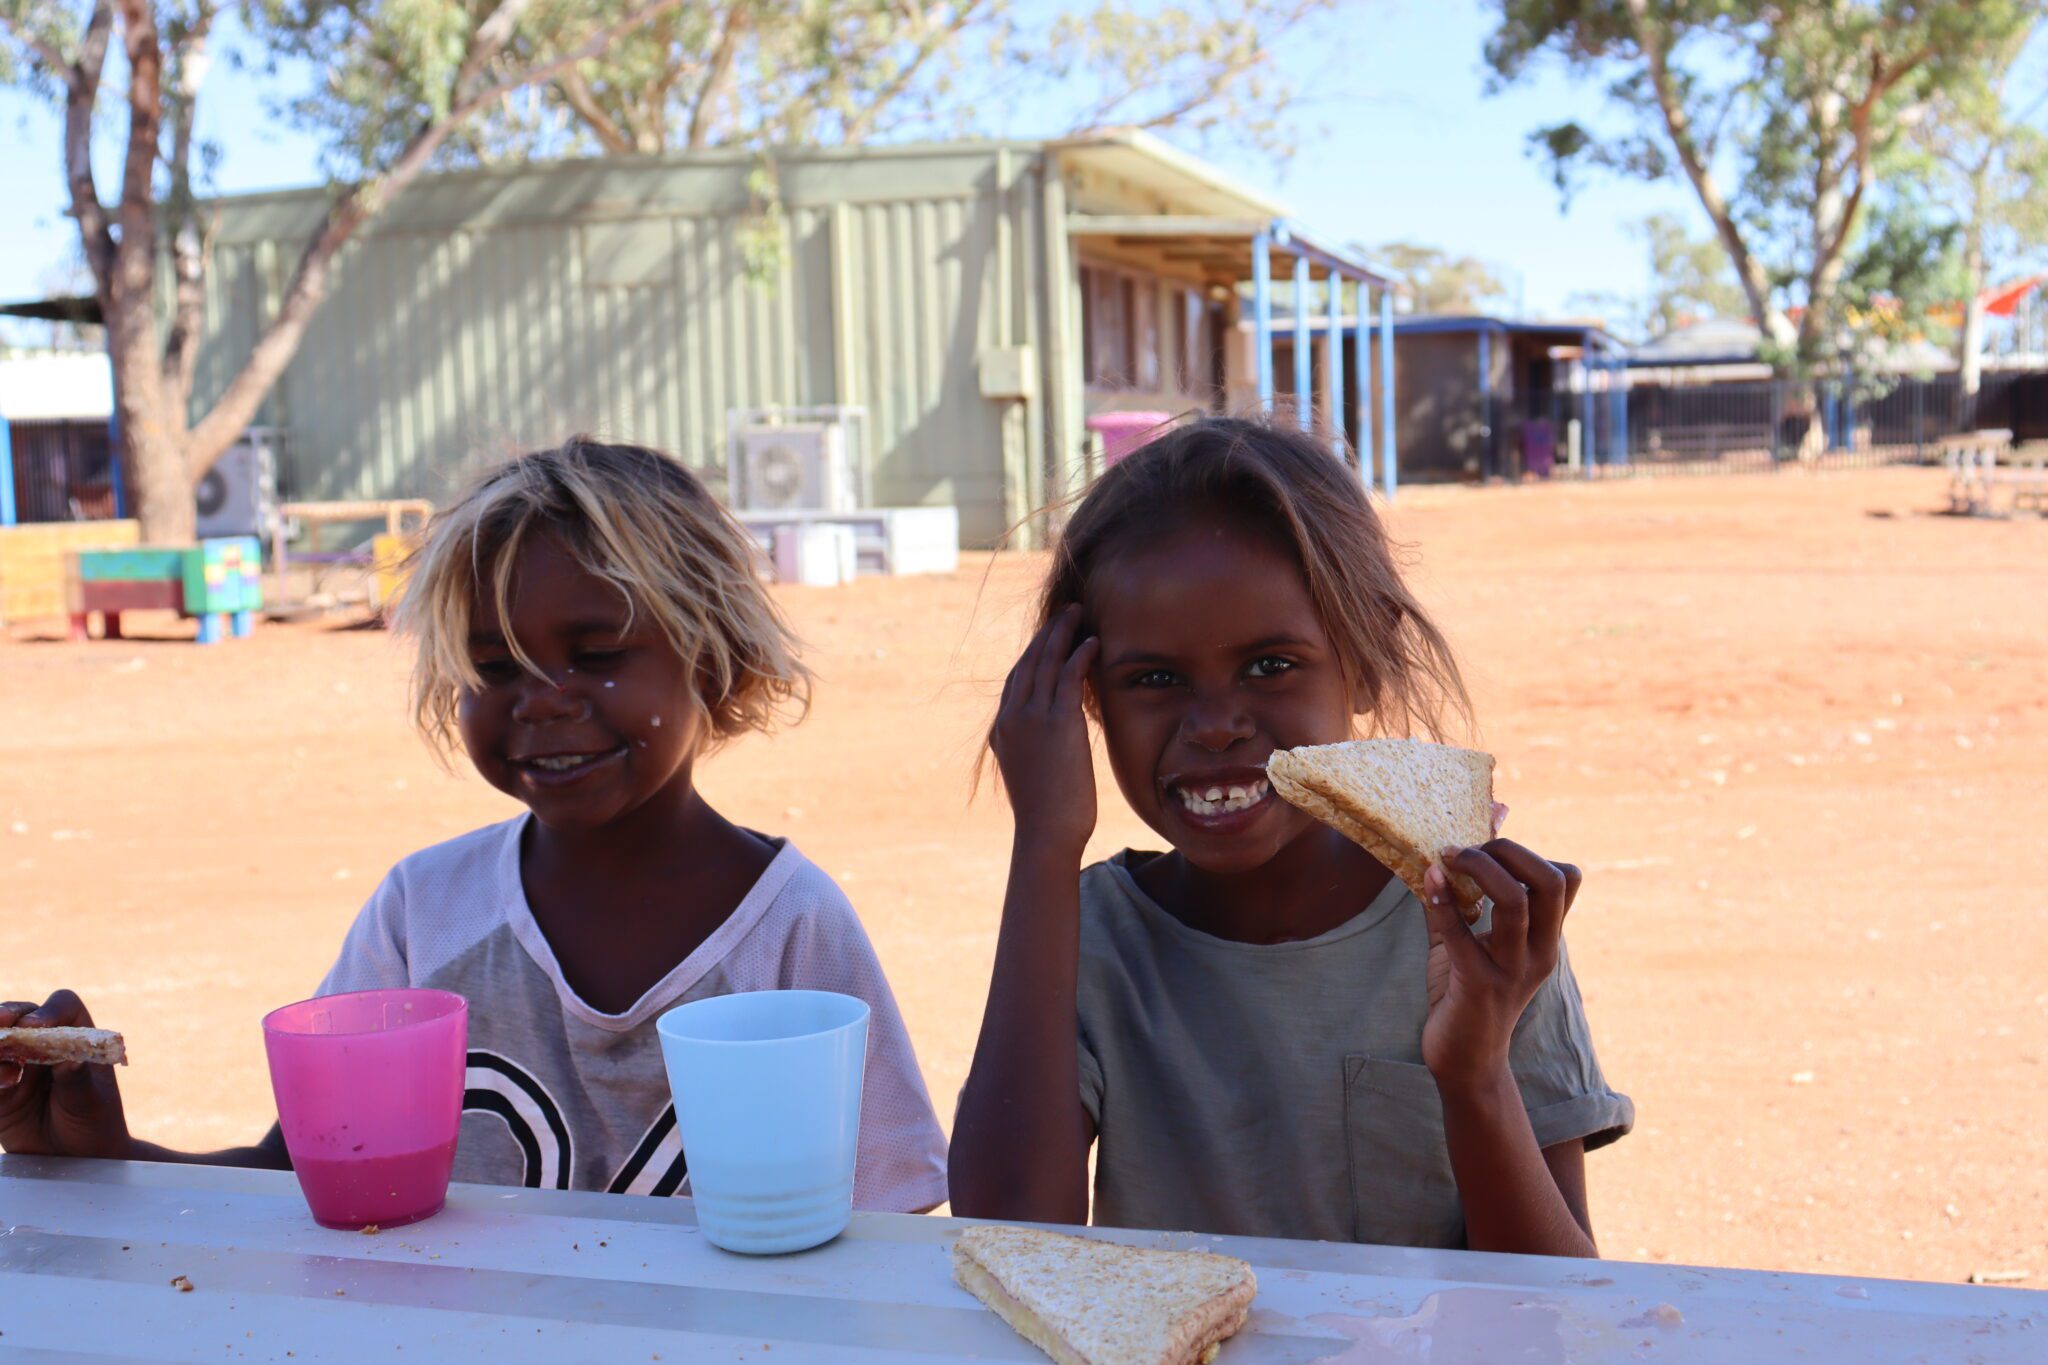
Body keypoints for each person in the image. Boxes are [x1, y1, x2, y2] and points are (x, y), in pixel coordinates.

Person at [0, 437, 949, 1211]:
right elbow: (304, 1180)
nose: (539, 701)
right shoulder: (425, 912)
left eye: (597, 653)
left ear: (715, 660)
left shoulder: (793, 933)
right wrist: (107, 1153)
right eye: (493, 666)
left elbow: (887, 1232)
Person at [949, 415, 1631, 1252]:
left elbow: (1554, 1305)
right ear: (1085, 700)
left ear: (1368, 657)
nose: (1213, 725)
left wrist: (1474, 1072)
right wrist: (1044, 846)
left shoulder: (1483, 929)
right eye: (1153, 678)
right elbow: (1008, 1234)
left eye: (1270, 664)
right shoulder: (1086, 936)